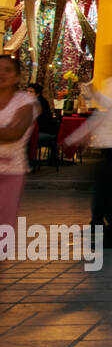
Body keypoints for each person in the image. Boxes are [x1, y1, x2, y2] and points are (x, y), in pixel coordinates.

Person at [66, 66, 112, 249]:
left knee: (109, 191)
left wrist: (76, 136)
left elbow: (107, 108)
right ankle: (100, 226)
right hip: (111, 144)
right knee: (105, 190)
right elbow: (106, 110)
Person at [0, 56, 39, 243]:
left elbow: (15, 133)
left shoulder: (25, 101)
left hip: (11, 171)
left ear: (16, 77)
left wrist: (8, 132)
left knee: (3, 229)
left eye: (7, 70)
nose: (1, 73)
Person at [28, 83, 58, 168]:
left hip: (46, 132)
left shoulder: (40, 103)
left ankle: (29, 162)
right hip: (40, 130)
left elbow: (35, 118)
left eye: (31, 92)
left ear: (37, 94)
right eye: (28, 91)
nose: (28, 94)